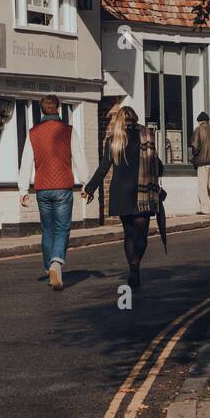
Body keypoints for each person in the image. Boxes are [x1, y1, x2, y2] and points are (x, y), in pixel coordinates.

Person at [84, 104, 164, 288]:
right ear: (135, 119)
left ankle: (132, 268)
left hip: (120, 193)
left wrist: (89, 188)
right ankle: (136, 262)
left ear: (119, 120)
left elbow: (104, 168)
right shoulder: (147, 136)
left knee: (128, 234)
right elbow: (159, 166)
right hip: (142, 192)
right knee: (141, 233)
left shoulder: (113, 140)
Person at [18, 94, 90, 291]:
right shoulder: (68, 131)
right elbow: (79, 158)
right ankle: (56, 263)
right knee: (62, 228)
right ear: (59, 108)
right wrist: (86, 184)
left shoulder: (33, 133)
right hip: (63, 187)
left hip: (42, 188)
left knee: (47, 229)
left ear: (41, 110)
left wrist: (23, 189)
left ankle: (49, 266)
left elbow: (26, 161)